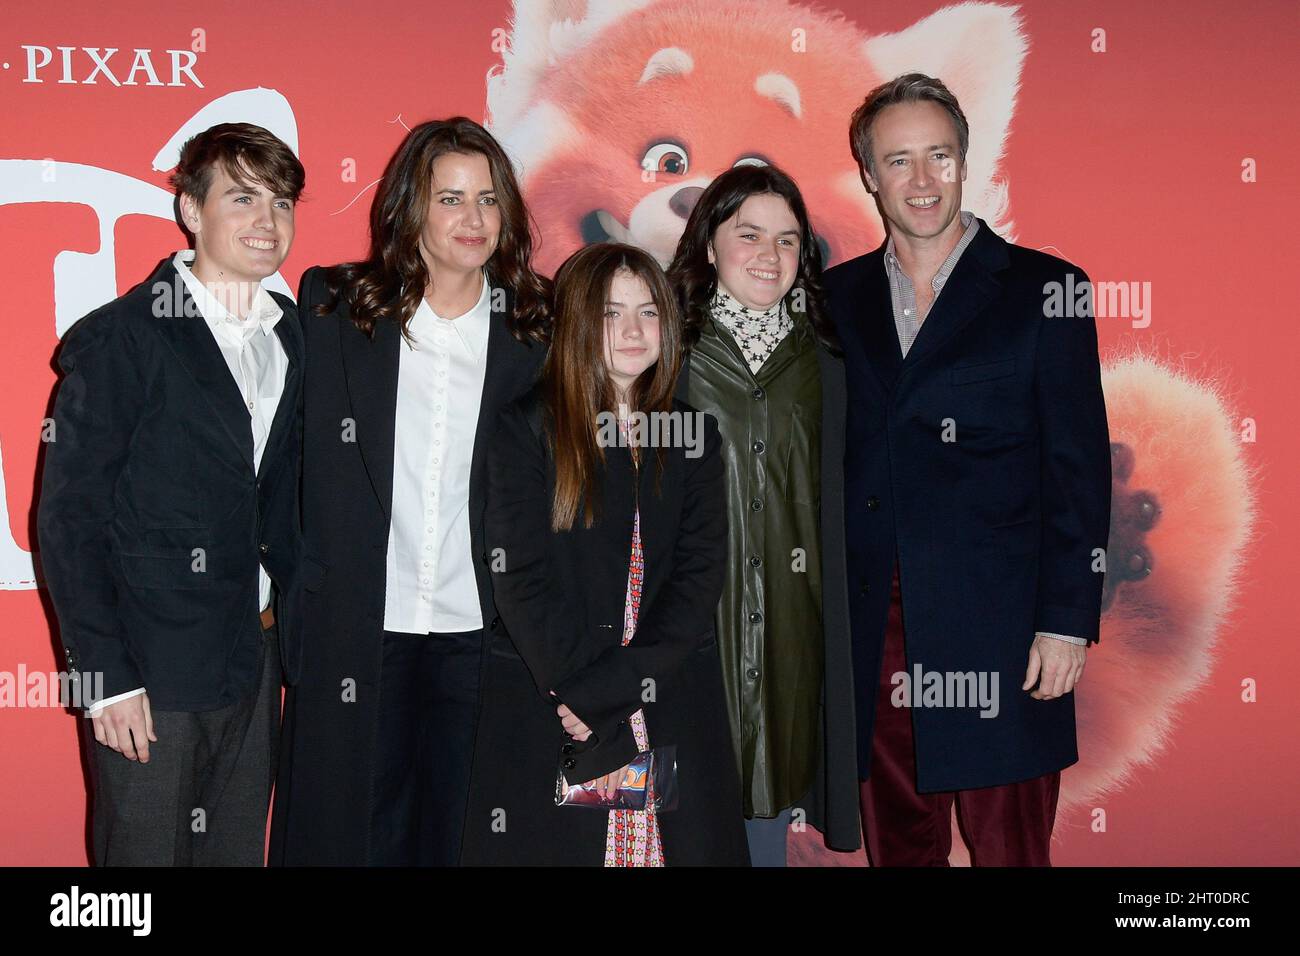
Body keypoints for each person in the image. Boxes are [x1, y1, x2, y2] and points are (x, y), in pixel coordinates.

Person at [823, 73, 1111, 866]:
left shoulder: (1047, 291)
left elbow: (1079, 473)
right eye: (900, 160)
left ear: (965, 161)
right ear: (868, 174)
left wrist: (1065, 620)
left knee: (1010, 854)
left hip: (1004, 633)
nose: (921, 182)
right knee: (898, 852)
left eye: (939, 157)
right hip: (872, 639)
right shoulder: (831, 300)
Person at [269, 118, 550, 866]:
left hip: (487, 637)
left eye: (488, 200)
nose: (473, 220)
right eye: (450, 198)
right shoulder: (335, 305)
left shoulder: (539, 326)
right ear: (408, 208)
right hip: (358, 628)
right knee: (350, 838)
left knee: (462, 838)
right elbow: (284, 462)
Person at [38, 123, 306, 865]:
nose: (266, 222)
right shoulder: (124, 337)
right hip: (148, 671)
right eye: (242, 197)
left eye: (282, 203)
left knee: (230, 855)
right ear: (191, 209)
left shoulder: (292, 336)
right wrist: (106, 680)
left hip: (254, 654)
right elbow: (68, 521)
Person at [461, 242, 750, 866]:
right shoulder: (526, 427)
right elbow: (519, 577)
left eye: (649, 312)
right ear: (577, 323)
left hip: (668, 695)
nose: (632, 330)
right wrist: (584, 696)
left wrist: (619, 689)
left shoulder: (694, 433)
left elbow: (699, 581)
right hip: (553, 699)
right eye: (610, 313)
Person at [666, 165, 860, 865]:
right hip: (684, 631)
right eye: (748, 234)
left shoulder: (830, 360)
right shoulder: (659, 348)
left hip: (790, 636)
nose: (769, 256)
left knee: (764, 823)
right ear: (709, 242)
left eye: (787, 240)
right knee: (670, 820)